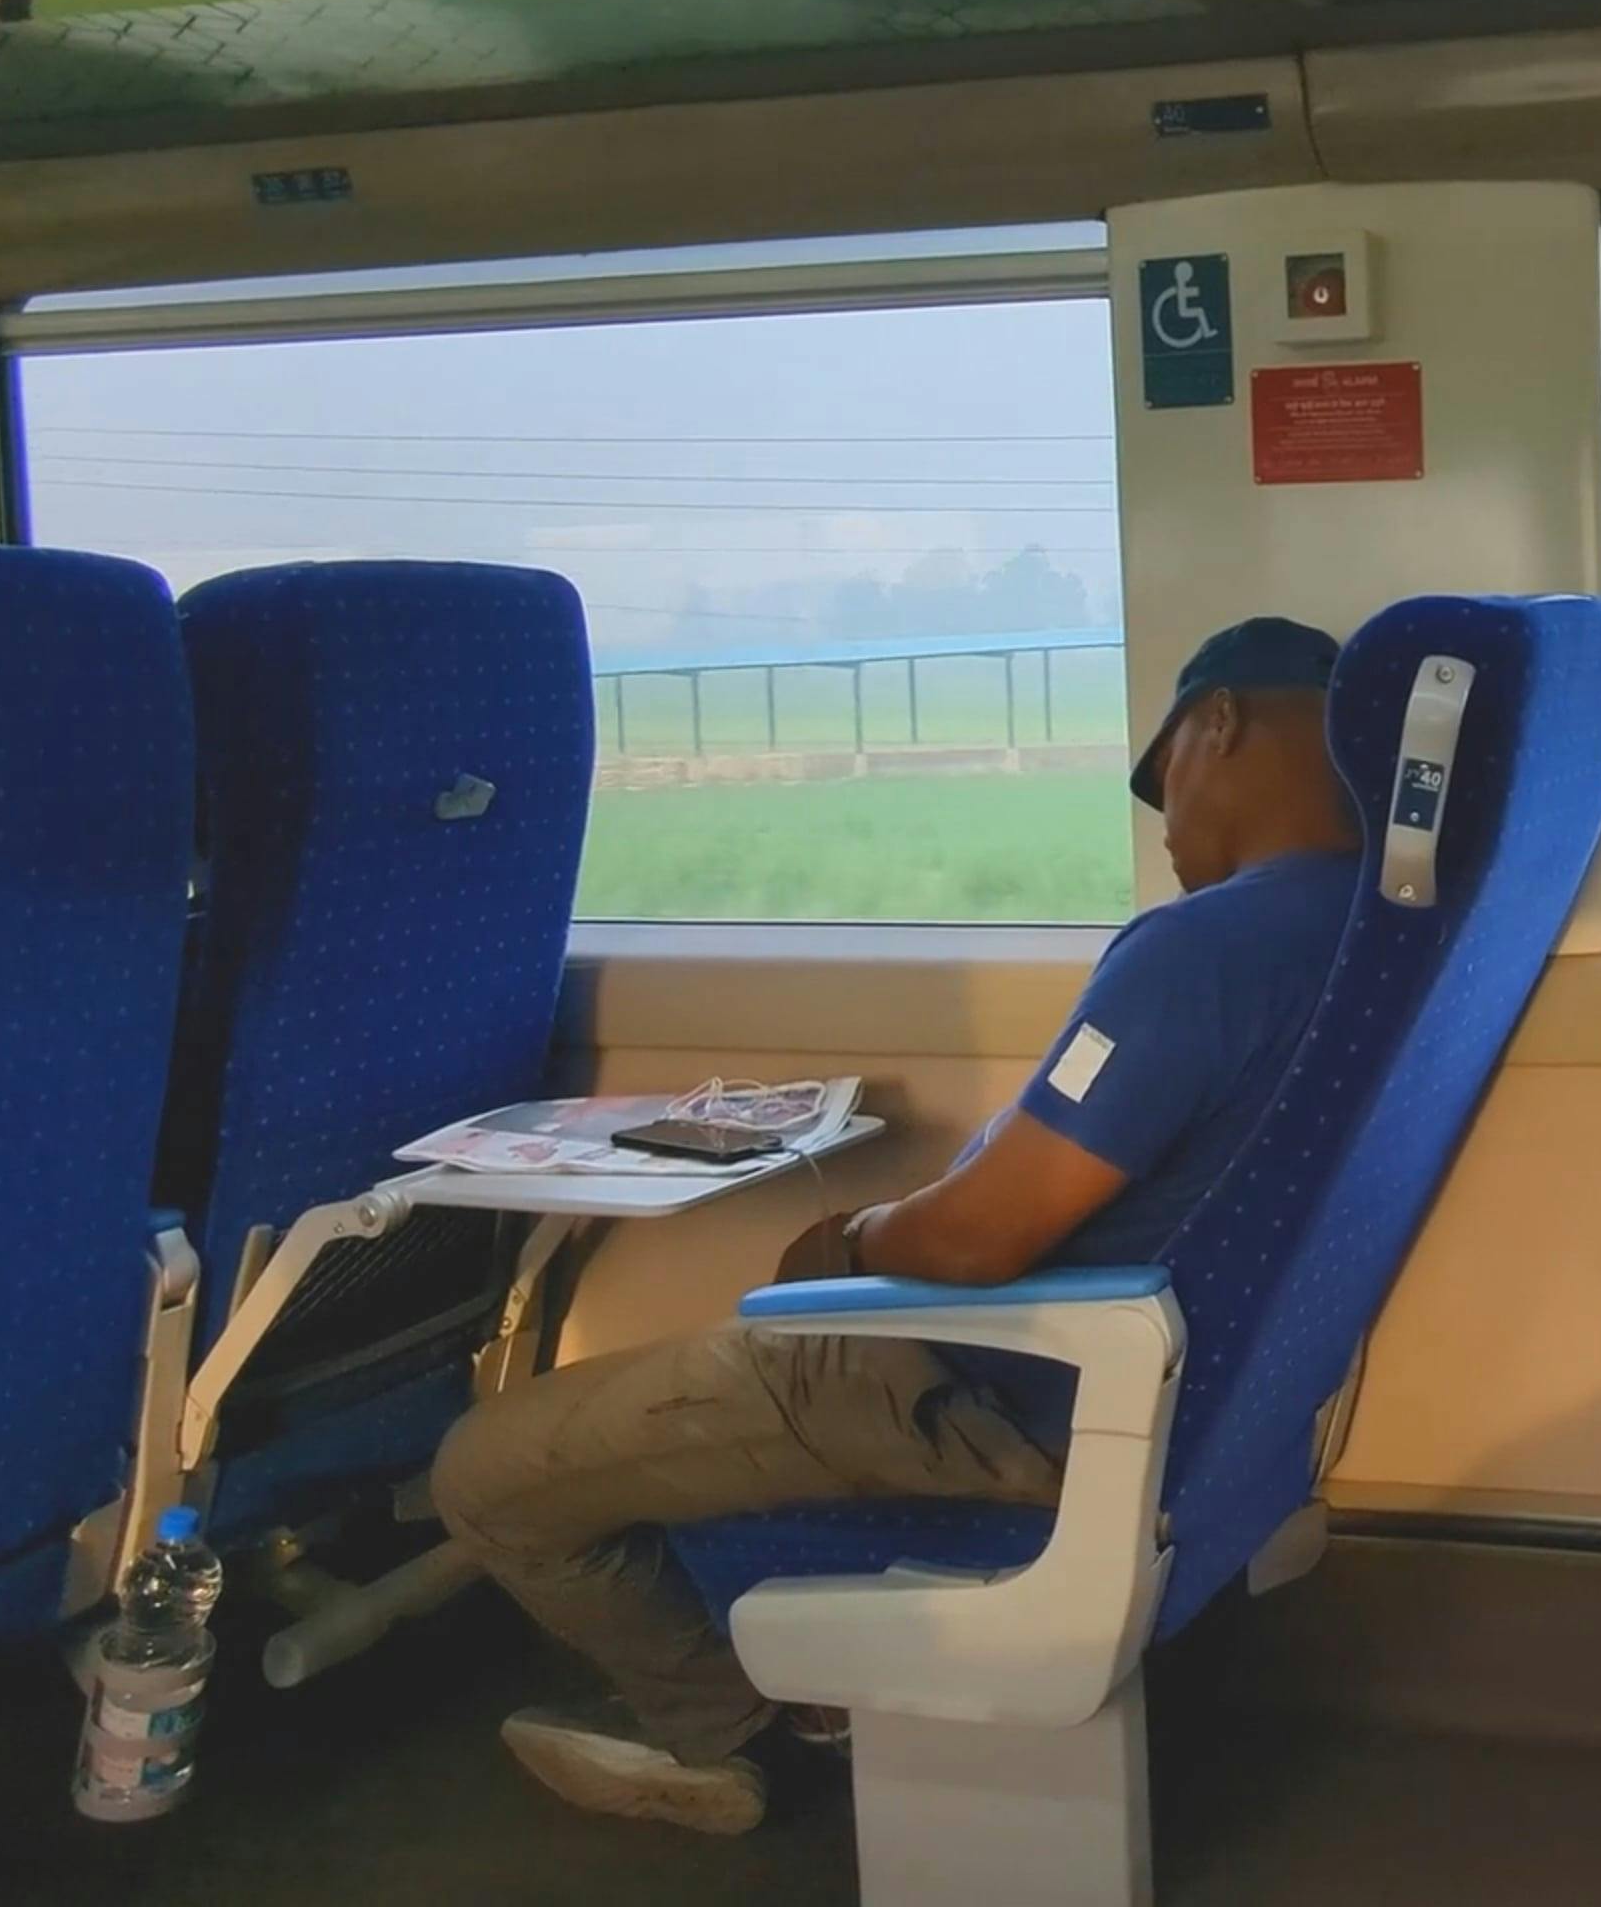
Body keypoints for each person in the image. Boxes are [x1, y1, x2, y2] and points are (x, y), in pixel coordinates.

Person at [432, 616, 1358, 1835]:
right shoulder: (1376, 934)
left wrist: (846, 1248)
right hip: (1206, 1394)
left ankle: (735, 1735)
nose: (1167, 828)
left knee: (486, 1474)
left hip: (983, 1384)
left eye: (1161, 783)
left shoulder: (1206, 948)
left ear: (1218, 724)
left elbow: (975, 1243)